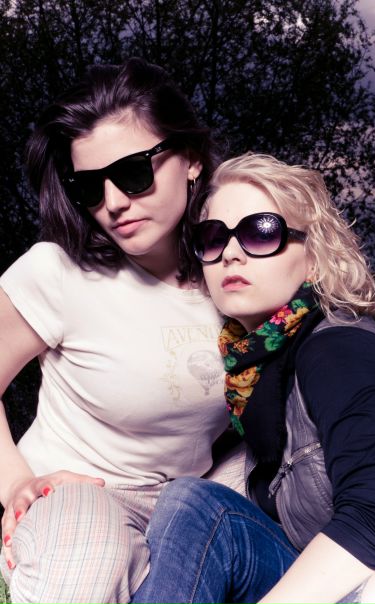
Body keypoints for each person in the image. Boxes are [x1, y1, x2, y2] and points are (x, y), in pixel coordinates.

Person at [0, 57, 233, 604]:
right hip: (82, 491)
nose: (112, 203)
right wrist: (15, 484)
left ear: (191, 159)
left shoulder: (233, 275)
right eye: (89, 186)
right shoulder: (56, 272)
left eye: (133, 172)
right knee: (91, 560)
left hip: (190, 500)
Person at [131, 153, 375, 604]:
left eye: (260, 231)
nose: (230, 253)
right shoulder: (254, 377)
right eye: (213, 238)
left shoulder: (340, 349)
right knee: (195, 502)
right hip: (324, 575)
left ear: (314, 258)